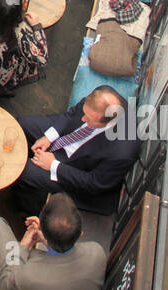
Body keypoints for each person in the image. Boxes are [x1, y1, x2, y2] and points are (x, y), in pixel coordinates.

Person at [11, 86, 137, 217]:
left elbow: (93, 184)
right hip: (68, 135)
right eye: (85, 114)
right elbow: (72, 114)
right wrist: (49, 137)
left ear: (107, 122)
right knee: (22, 124)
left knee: (24, 171)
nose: (83, 120)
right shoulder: (102, 95)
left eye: (89, 119)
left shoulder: (122, 152)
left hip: (75, 168)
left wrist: (53, 165)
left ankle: (22, 206)